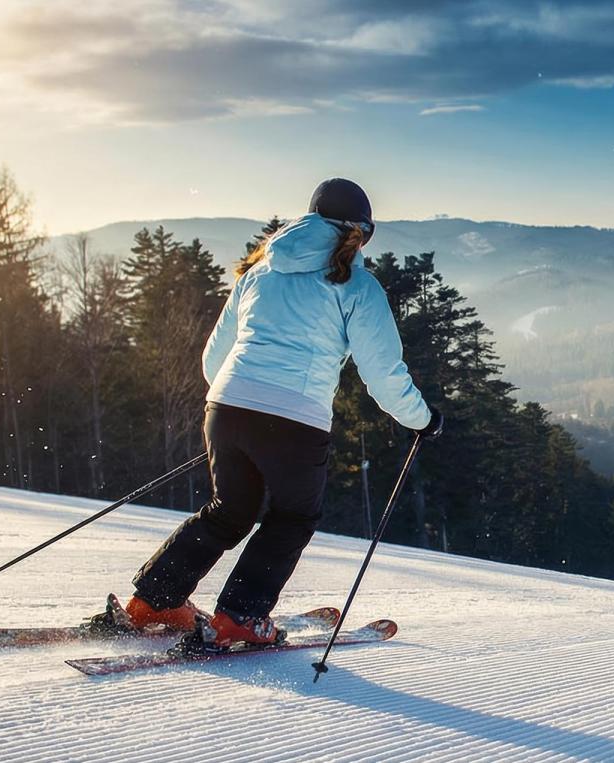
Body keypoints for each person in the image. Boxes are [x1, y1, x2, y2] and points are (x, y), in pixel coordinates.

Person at [93, 178, 445, 650]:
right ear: (360, 232)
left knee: (228, 511)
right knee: (293, 517)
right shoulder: (357, 286)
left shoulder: (258, 272)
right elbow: (382, 374)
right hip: (295, 417)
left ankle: (153, 602)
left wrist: (240, 407)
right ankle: (240, 616)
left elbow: (214, 358)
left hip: (226, 406)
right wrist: (423, 419)